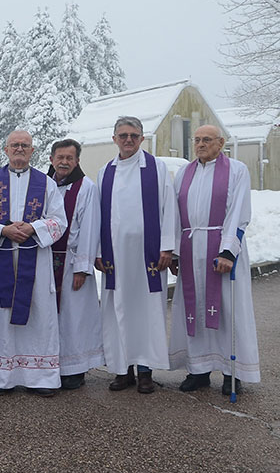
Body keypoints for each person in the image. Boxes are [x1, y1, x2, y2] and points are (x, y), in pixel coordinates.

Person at [0, 131, 66, 397]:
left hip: (36, 259)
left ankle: (44, 378)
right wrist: (3, 230)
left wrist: (33, 228)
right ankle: (5, 377)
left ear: (32, 150)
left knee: (40, 314)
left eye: (25, 145)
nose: (20, 149)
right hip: (3, 257)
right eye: (15, 145)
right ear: (6, 149)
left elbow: (59, 220)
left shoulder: (46, 184)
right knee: (4, 316)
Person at [168, 124, 260, 394]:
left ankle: (233, 374)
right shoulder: (184, 172)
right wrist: (174, 251)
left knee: (228, 310)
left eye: (207, 140)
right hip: (189, 248)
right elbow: (174, 215)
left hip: (220, 250)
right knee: (194, 308)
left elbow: (239, 212)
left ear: (221, 143)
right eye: (196, 140)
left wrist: (228, 251)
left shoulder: (236, 170)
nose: (200, 144)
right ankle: (199, 370)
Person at [96, 117, 176, 395]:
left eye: (133, 135)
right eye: (122, 135)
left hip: (148, 257)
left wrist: (167, 246)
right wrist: (97, 251)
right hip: (115, 257)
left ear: (142, 138)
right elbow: (100, 215)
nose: (128, 139)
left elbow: (169, 208)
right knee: (116, 310)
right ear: (114, 138)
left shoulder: (156, 168)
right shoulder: (105, 171)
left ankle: (145, 371)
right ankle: (122, 370)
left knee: (146, 312)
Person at [47, 139, 103, 390]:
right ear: (51, 159)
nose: (64, 162)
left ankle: (75, 367)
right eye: (60, 157)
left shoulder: (86, 188)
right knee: (49, 316)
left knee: (74, 317)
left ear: (77, 161)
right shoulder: (43, 185)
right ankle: (50, 364)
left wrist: (83, 267)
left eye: (70, 158)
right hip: (45, 261)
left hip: (71, 261)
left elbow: (91, 227)